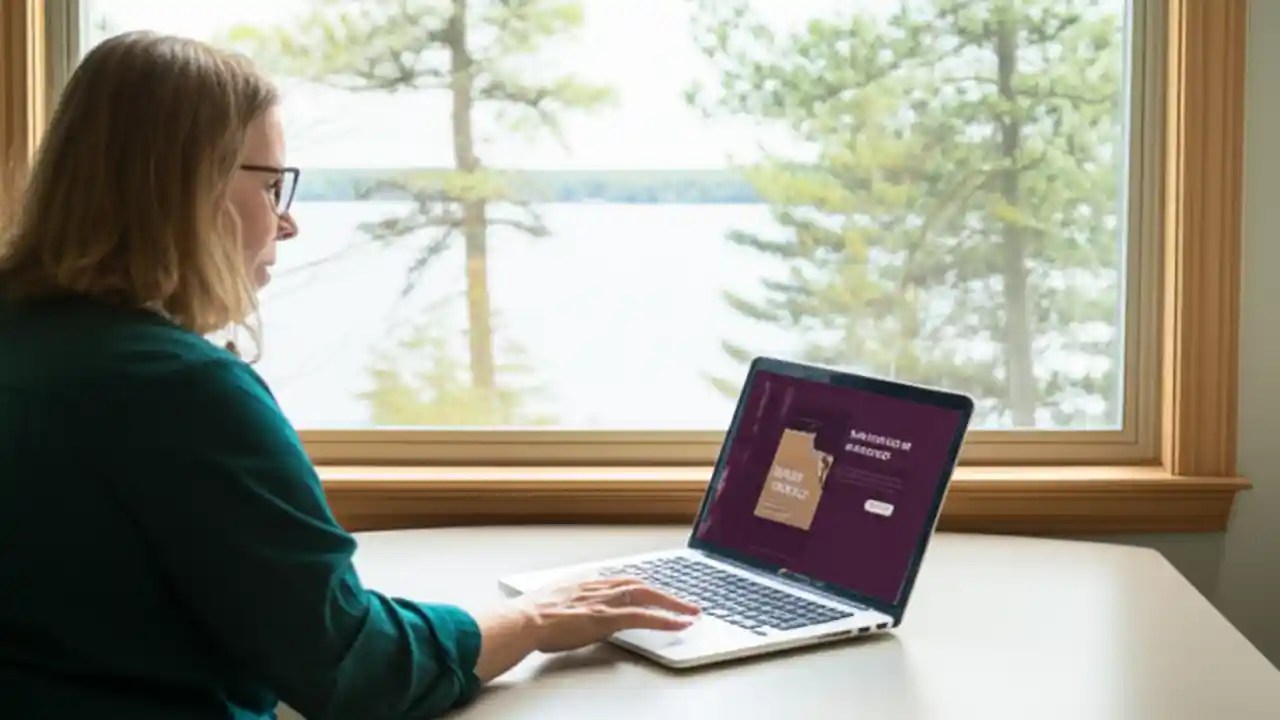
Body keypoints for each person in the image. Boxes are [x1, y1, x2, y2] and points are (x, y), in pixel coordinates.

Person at [0, 30, 700, 719]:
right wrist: (532, 621)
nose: (287, 222)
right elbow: (351, 667)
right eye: (272, 185)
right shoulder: (179, 391)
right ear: (189, 187)